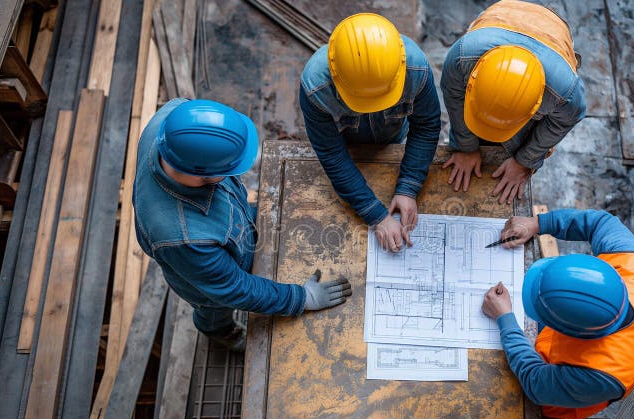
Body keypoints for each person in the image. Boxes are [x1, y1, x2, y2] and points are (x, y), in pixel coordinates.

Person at [133, 98, 352, 352]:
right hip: (209, 286)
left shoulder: (172, 117)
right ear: (200, 173)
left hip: (231, 223)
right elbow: (236, 287)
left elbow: (210, 134)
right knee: (215, 310)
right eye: (229, 167)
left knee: (248, 220)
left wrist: (245, 155)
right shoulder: (184, 238)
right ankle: (223, 334)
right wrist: (301, 298)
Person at [481, 209, 634, 419]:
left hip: (552, 398)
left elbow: (534, 381)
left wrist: (506, 319)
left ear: (567, 330)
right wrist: (537, 223)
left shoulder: (603, 376)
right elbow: (600, 222)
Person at [299, 13, 441, 253]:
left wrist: (408, 187)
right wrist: (376, 215)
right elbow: (332, 153)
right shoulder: (316, 87)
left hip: (393, 138)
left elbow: (426, 126)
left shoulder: (415, 68)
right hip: (347, 147)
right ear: (335, 74)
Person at [440, 0, 586, 204]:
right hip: (503, 14)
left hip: (552, 32)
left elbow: (559, 124)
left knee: (522, 143)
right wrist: (466, 147)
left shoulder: (565, 93)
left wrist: (523, 161)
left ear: (536, 106)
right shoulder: (462, 57)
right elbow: (455, 100)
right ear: (473, 81)